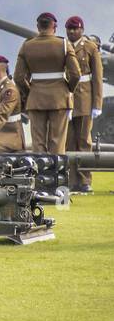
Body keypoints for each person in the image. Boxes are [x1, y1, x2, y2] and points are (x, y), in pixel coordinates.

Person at [15, 12, 80, 154]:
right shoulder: (63, 44)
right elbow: (75, 74)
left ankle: (40, 174)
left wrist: (29, 92)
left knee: (38, 143)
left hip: (36, 98)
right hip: (59, 99)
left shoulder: (27, 46)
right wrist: (68, 89)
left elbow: (18, 77)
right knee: (57, 142)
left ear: (38, 27)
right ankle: (56, 173)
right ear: (54, 27)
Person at [65, 16, 105, 191]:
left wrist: (97, 104)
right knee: (69, 141)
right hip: (67, 97)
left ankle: (85, 180)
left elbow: (97, 78)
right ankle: (72, 180)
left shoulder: (90, 47)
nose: (72, 32)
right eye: (69, 29)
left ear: (81, 29)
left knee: (84, 141)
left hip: (85, 97)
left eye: (75, 29)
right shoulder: (63, 46)